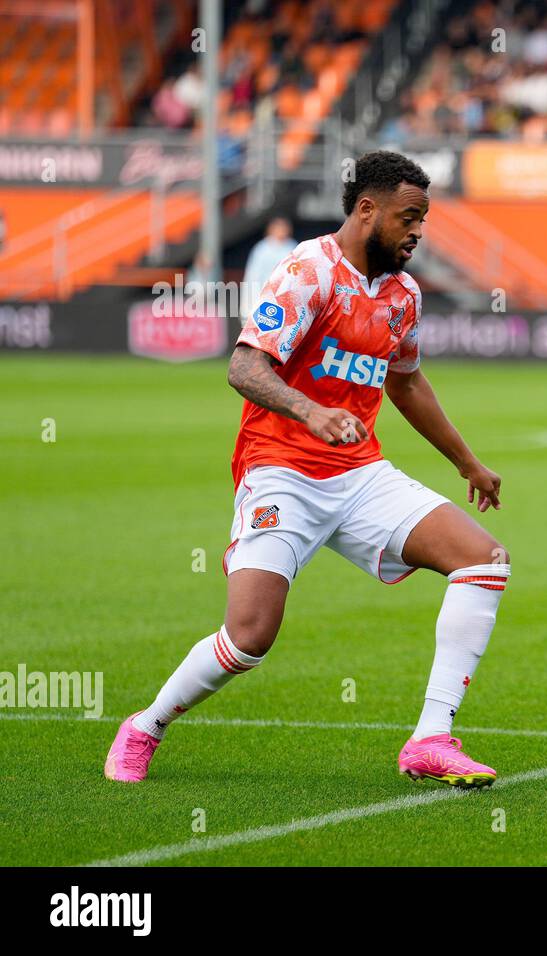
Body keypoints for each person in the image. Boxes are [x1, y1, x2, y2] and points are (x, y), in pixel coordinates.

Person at [105, 151, 511, 787]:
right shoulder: (309, 271)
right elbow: (245, 367)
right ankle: (145, 725)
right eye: (409, 218)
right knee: (249, 638)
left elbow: (406, 385)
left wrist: (469, 462)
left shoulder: (403, 296)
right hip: (281, 470)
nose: (418, 232)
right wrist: (310, 411)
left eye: (423, 220)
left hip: (359, 474)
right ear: (366, 209)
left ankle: (431, 739)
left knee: (483, 561)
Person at [242, 217, 296, 318]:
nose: (281, 230)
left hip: (286, 298)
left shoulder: (293, 247)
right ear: (271, 229)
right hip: (264, 298)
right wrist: (248, 307)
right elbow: (252, 277)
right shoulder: (261, 249)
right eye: (278, 227)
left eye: (284, 227)